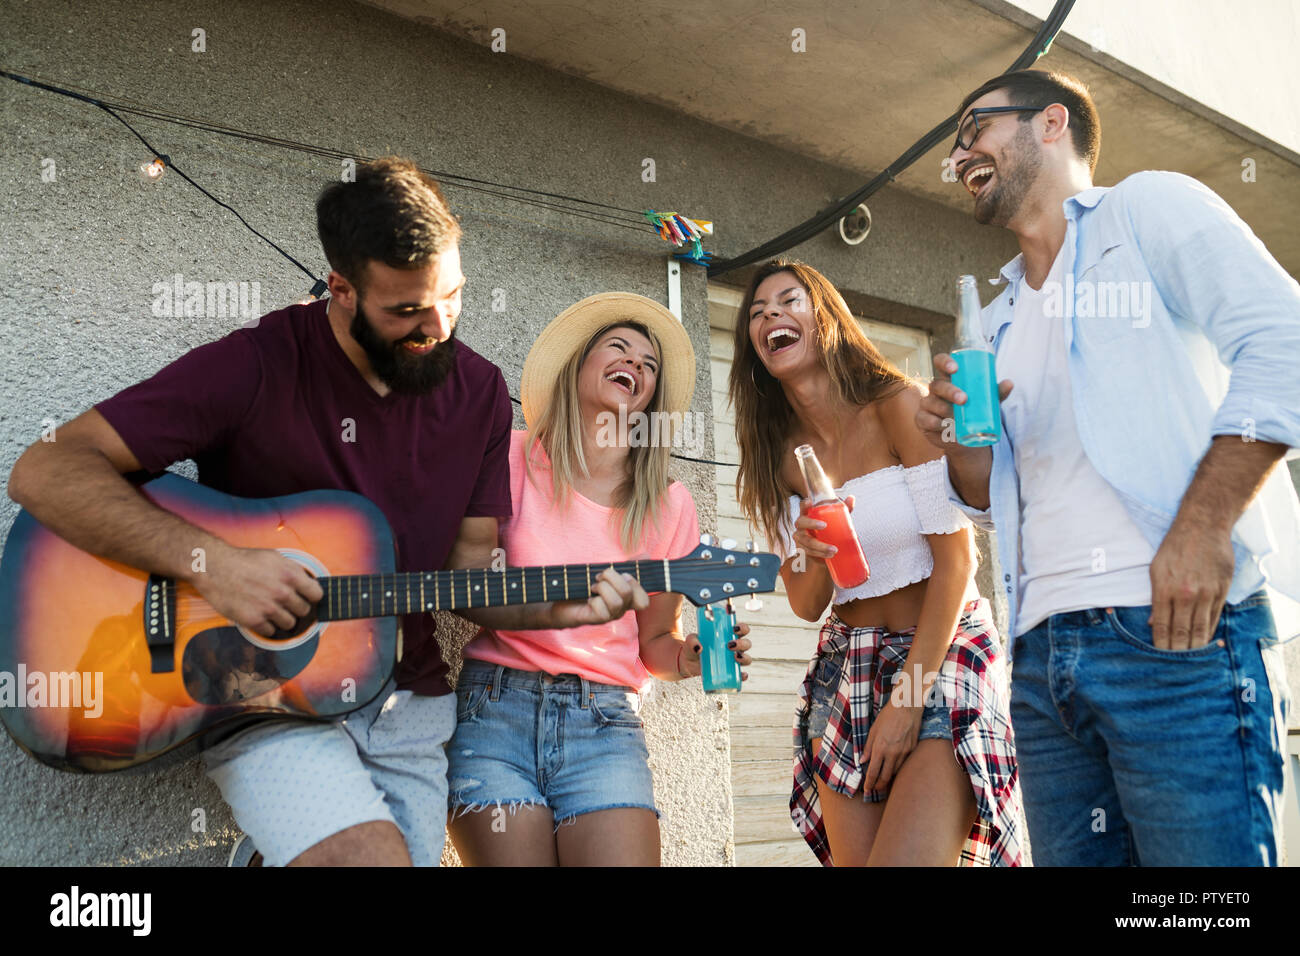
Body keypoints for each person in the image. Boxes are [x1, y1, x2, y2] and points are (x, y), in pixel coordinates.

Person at [5, 157, 646, 867]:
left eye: (453, 297)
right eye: (406, 311)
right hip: (261, 693)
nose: (438, 326)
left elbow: (471, 568)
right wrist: (214, 565)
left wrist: (563, 611)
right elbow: (47, 470)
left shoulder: (481, 394)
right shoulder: (259, 363)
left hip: (410, 701)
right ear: (341, 288)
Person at [919, 69, 1300, 865]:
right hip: (1042, 665)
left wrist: (1204, 526)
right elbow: (988, 498)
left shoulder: (1146, 210)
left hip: (1173, 641)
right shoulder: (994, 321)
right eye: (955, 146)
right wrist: (958, 442)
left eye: (974, 128)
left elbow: (1283, 341)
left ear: (1051, 122)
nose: (960, 155)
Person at [728, 258, 1023, 866]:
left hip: (939, 657)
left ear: (826, 319)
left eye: (788, 302)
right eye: (757, 313)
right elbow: (810, 605)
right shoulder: (774, 460)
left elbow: (957, 562)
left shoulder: (897, 406)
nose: (771, 316)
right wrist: (809, 552)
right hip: (847, 666)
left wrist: (910, 698)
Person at [446, 292, 753, 866]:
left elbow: (655, 645)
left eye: (649, 365)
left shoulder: (668, 506)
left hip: (603, 723)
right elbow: (466, 579)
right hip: (496, 709)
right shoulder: (508, 456)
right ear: (581, 366)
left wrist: (687, 658)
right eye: (620, 349)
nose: (636, 364)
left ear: (649, 400)